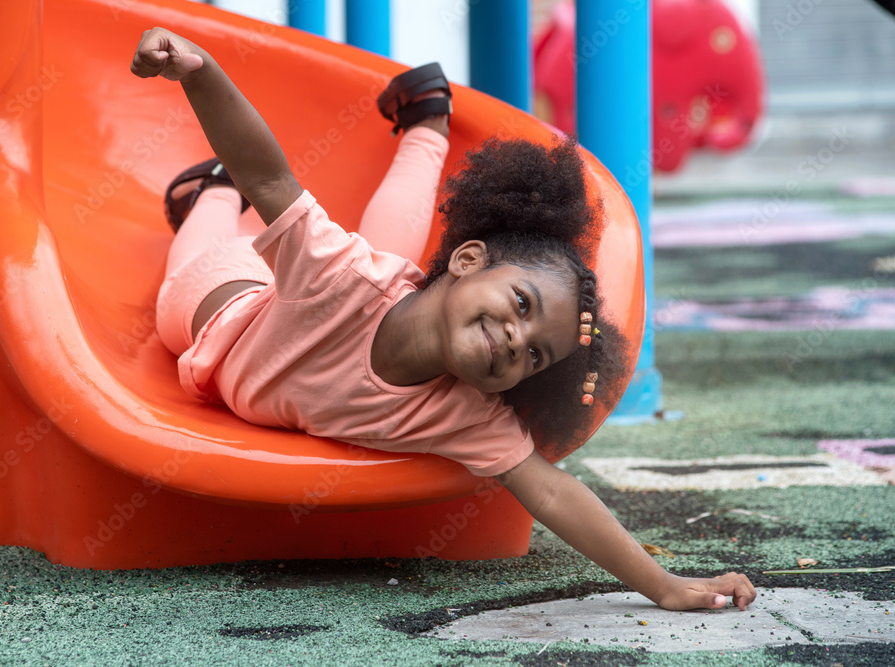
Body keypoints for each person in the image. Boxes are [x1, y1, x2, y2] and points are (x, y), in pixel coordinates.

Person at [130, 26, 756, 612]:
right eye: (522, 305)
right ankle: (212, 193)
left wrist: (664, 586)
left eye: (535, 355)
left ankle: (427, 119)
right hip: (227, 302)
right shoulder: (339, 274)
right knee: (196, 273)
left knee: (387, 264)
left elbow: (555, 492)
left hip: (338, 294)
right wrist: (199, 70)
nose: (517, 340)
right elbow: (265, 172)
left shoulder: (466, 413)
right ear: (467, 257)